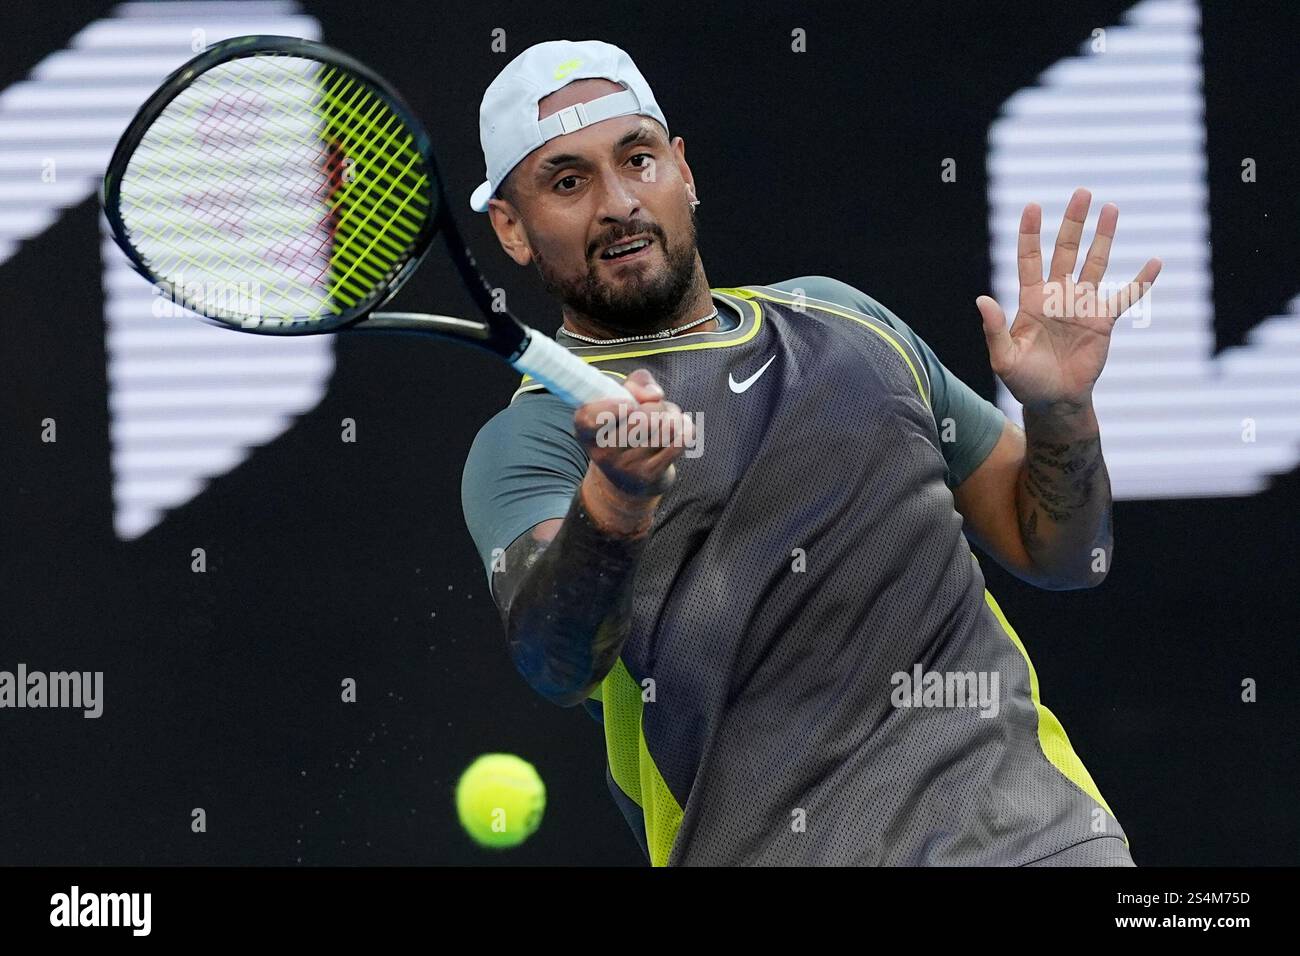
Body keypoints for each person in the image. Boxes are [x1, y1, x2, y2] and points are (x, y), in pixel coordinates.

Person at [460, 39, 1161, 866]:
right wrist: (615, 501)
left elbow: (1068, 553)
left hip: (1037, 845)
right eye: (568, 182)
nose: (619, 203)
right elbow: (555, 662)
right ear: (511, 227)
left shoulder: (844, 320)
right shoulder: (532, 440)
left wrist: (1060, 409)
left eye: (638, 159)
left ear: (682, 169)